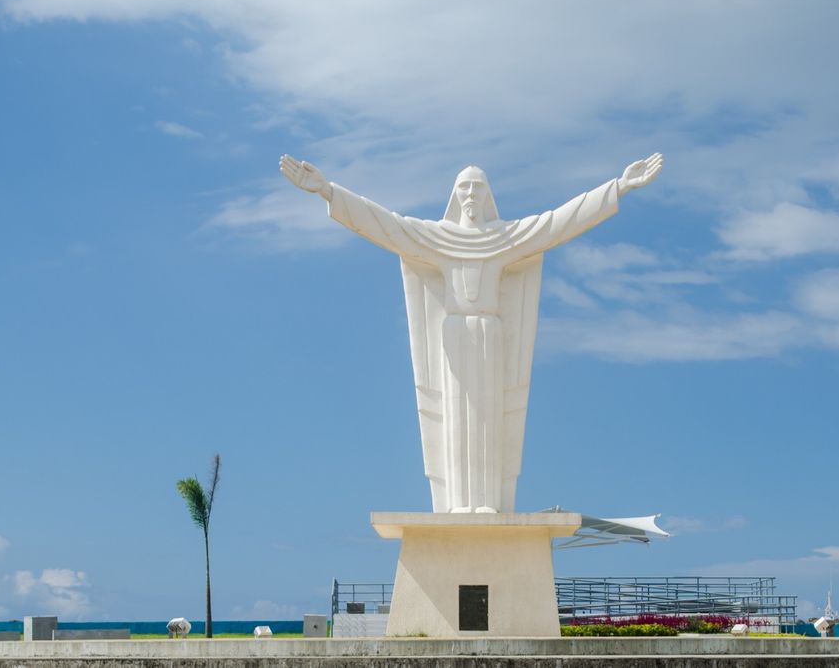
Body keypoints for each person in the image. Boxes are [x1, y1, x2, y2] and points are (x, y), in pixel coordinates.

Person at [281, 153, 662, 513]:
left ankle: (486, 502)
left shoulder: (506, 238)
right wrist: (328, 190)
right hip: (455, 334)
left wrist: (619, 187)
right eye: (464, 187)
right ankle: (459, 502)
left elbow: (559, 222)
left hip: (489, 333)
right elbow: (386, 225)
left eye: (478, 187)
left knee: (487, 418)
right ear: (454, 195)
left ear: (488, 196)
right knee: (455, 418)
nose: (471, 195)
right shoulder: (437, 238)